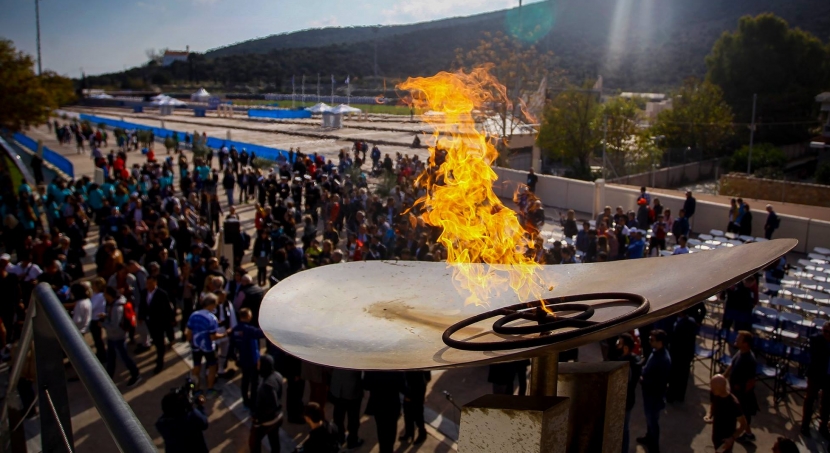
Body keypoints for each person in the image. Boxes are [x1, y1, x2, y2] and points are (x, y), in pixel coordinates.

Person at [100, 286, 142, 387]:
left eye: (105, 294)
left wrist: (102, 324)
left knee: (124, 357)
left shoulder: (117, 307)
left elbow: (114, 325)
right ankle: (108, 378)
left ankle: (135, 374)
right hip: (112, 337)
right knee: (111, 358)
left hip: (118, 336)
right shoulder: (111, 304)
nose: (104, 296)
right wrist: (105, 316)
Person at [637, 329, 671, 453]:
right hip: (648, 394)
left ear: (660, 342)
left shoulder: (663, 360)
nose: (649, 341)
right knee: (649, 419)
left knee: (653, 421)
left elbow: (659, 383)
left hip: (654, 396)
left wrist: (643, 380)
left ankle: (654, 447)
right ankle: (648, 437)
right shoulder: (655, 352)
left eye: (652, 340)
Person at [186, 293, 225, 397]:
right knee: (212, 367)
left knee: (196, 367)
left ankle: (196, 389)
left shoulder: (193, 315)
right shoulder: (212, 318)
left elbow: (188, 334)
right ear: (211, 304)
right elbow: (213, 337)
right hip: (208, 347)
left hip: (195, 346)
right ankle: (210, 389)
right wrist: (223, 335)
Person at [725, 330, 758, 442]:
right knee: (739, 414)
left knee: (743, 414)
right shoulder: (740, 352)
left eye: (739, 339)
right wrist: (724, 376)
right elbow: (732, 364)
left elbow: (751, 381)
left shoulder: (749, 360)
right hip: (735, 391)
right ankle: (747, 433)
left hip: (742, 394)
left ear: (745, 343)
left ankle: (746, 434)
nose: (736, 339)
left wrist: (743, 395)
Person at [230, 308, 265, 408]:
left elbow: (231, 346)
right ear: (248, 316)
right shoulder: (249, 330)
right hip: (253, 360)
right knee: (255, 382)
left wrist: (234, 357)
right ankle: (253, 402)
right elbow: (262, 334)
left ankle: (245, 401)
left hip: (243, 359)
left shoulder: (235, 330)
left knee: (245, 380)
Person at [250, 354, 285, 453]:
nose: (257, 365)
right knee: (274, 440)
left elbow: (272, 404)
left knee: (254, 442)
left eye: (259, 363)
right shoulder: (277, 375)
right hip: (278, 417)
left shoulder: (267, 385)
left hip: (268, 421)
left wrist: (258, 418)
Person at [364, 371, 405, 453]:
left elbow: (366, 385)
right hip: (392, 403)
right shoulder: (395, 368)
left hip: (378, 403)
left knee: (381, 429)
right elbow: (401, 385)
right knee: (391, 429)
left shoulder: (371, 367)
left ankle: (383, 449)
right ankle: (389, 449)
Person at [802, 322, 830, 437]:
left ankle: (823, 427)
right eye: (825, 331)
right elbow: (816, 356)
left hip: (828, 376)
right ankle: (805, 426)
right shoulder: (816, 339)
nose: (827, 334)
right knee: (810, 400)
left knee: (827, 402)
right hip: (816, 374)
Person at [616, 333, 641, 453]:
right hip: (630, 399)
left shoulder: (623, 364)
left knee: (622, 429)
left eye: (620, 343)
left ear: (625, 348)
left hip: (623, 401)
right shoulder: (636, 360)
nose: (618, 346)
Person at [145, 275, 175, 374]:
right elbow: (143, 305)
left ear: (155, 283)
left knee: (160, 343)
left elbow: (168, 308)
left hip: (161, 322)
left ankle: (160, 362)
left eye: (150, 283)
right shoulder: (145, 293)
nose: (148, 285)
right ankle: (159, 355)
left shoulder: (162, 294)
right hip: (151, 323)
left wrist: (171, 319)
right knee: (156, 341)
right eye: (147, 283)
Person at [709, 374, 747, 452]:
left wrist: (731, 438)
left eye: (713, 388)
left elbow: (743, 424)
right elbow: (713, 404)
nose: (711, 389)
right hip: (716, 436)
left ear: (721, 388)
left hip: (726, 440)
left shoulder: (733, 404)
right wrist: (710, 414)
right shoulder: (715, 393)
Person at [666, 310, 698, 403]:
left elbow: (680, 341)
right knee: (680, 376)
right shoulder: (684, 321)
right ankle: (678, 396)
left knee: (677, 376)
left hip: (680, 354)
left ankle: (673, 396)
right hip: (682, 354)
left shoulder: (685, 324)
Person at [329, 368, 364, 449]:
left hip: (337, 387)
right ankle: (352, 440)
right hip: (352, 388)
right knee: (353, 417)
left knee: (338, 415)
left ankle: (340, 438)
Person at [401, 371, 430, 444]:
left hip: (418, 387)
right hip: (408, 386)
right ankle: (409, 432)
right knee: (407, 412)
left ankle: (422, 433)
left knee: (418, 413)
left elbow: (427, 376)